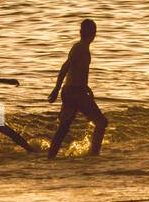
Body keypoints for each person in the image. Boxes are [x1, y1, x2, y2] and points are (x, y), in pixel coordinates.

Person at [47, 18, 109, 158]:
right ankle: (93, 155)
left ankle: (50, 157)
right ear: (93, 33)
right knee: (101, 122)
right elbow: (66, 67)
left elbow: (77, 71)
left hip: (73, 91)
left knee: (63, 128)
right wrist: (56, 89)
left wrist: (86, 87)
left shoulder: (81, 47)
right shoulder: (80, 48)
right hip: (75, 93)